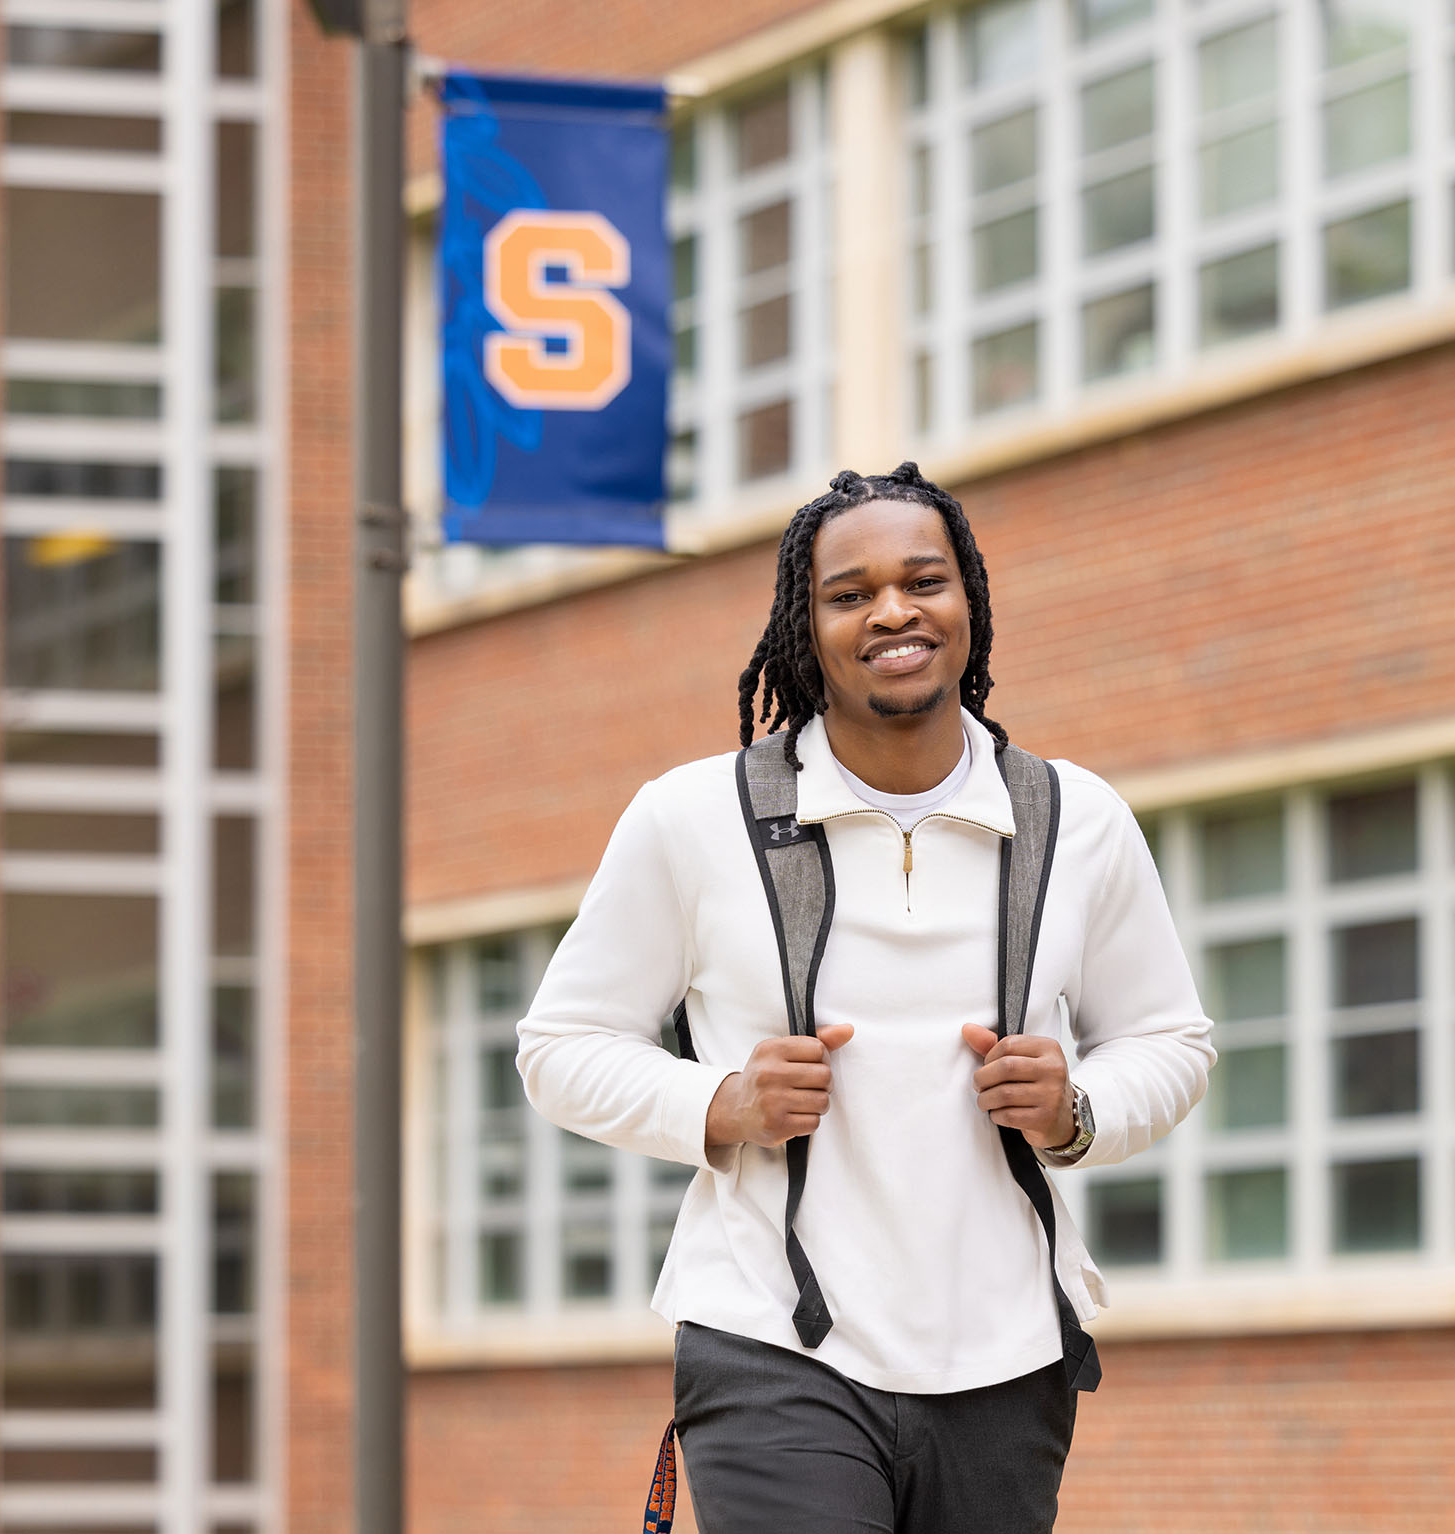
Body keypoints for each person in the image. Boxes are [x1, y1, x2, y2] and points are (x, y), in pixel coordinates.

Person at [515, 464, 1215, 1533]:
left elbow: (1169, 1039)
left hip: (1003, 1360)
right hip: (770, 1344)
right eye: (848, 594)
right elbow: (558, 1043)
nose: (892, 610)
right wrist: (721, 1104)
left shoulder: (1078, 820)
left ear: (967, 602)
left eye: (922, 581)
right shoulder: (690, 818)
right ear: (806, 629)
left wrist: (1072, 1108)